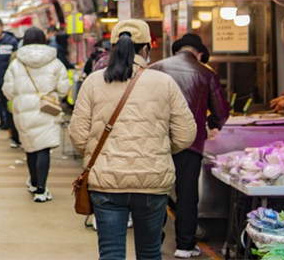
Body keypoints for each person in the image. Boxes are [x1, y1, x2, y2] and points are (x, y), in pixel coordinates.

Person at [69, 19, 197, 260]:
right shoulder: (164, 82)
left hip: (105, 183)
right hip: (152, 182)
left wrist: (98, 153)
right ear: (146, 49)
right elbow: (186, 134)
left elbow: (77, 133)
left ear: (112, 48)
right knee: (150, 253)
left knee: (111, 254)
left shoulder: (93, 82)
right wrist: (159, 149)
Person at [151, 33, 230, 258]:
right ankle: (185, 246)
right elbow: (222, 115)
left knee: (157, 191)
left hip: (157, 141)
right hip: (190, 142)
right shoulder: (207, 73)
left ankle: (154, 241)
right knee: (187, 195)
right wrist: (209, 125)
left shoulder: (155, 69)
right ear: (200, 54)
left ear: (177, 50)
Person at [2, 27, 70, 202]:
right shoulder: (55, 62)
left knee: (30, 146)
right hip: (46, 108)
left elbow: (8, 89)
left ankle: (33, 182)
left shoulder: (17, 63)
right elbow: (63, 88)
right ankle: (41, 189)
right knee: (44, 147)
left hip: (24, 109)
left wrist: (21, 98)